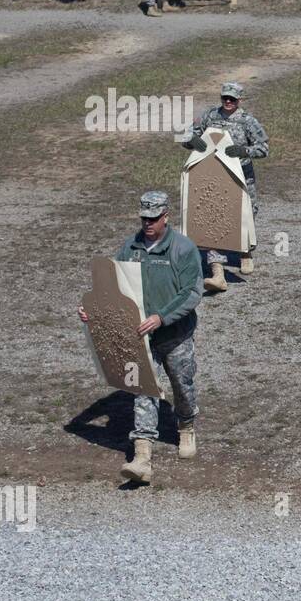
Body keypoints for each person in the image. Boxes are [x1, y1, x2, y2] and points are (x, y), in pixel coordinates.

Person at [78, 191, 203, 484]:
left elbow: (192, 293)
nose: (147, 223)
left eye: (153, 218)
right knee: (144, 389)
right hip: (142, 338)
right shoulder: (130, 248)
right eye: (143, 218)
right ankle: (142, 456)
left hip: (176, 335)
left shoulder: (183, 250)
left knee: (181, 385)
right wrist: (93, 312)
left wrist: (161, 317)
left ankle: (185, 426)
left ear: (166, 217)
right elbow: (114, 288)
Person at [182, 81, 269, 290]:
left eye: (232, 99)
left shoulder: (248, 121)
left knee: (246, 215)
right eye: (225, 98)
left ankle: (245, 252)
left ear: (239, 100)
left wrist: (244, 151)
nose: (228, 102)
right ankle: (218, 273)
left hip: (241, 177)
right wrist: (193, 141)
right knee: (214, 220)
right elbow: (185, 136)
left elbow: (263, 148)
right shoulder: (209, 116)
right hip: (214, 176)